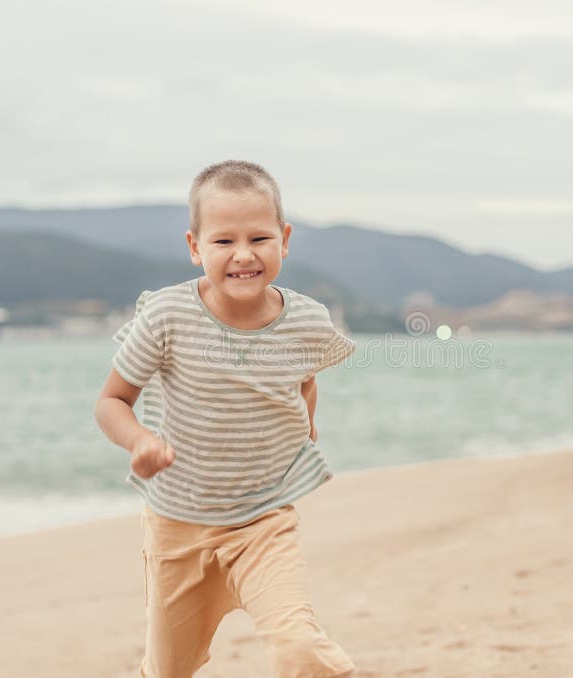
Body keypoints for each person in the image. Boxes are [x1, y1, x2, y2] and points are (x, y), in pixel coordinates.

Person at [94, 160, 357, 678]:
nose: (243, 254)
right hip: (177, 523)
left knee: (299, 647)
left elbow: (305, 379)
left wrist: (307, 425)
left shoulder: (307, 321)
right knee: (168, 669)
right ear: (195, 247)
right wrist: (139, 441)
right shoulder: (167, 317)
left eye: (259, 238)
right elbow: (111, 401)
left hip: (264, 519)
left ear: (284, 240)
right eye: (223, 241)